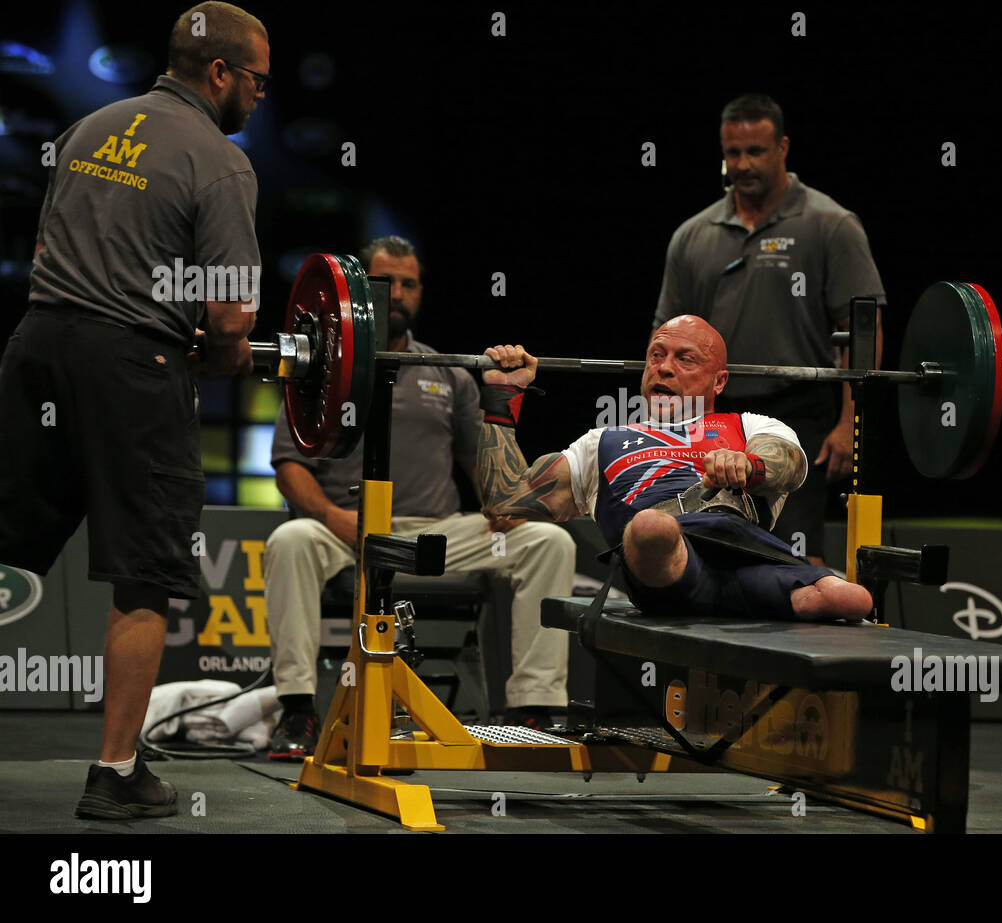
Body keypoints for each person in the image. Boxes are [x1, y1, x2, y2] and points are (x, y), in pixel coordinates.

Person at [0, 1, 267, 818]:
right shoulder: (220, 161)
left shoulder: (87, 129)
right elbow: (230, 314)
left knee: (4, 552)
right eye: (256, 79)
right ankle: (116, 772)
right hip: (132, 366)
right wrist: (230, 359)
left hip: (35, 346)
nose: (259, 95)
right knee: (144, 572)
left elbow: (47, 251)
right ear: (219, 72)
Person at [263, 236, 575, 755]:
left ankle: (535, 709)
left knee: (547, 541)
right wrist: (330, 515)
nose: (400, 294)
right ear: (362, 289)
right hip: (347, 532)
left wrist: (501, 505)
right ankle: (297, 712)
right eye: (387, 283)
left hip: (434, 534)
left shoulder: (448, 369)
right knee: (290, 539)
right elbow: (289, 466)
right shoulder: (325, 368)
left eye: (410, 283)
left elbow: (479, 458)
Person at [474, 316, 873, 623]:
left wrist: (747, 464)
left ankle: (752, 596)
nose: (664, 368)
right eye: (656, 355)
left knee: (853, 600)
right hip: (665, 569)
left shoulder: (750, 425)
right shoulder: (599, 443)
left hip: (743, 558)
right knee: (652, 528)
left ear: (719, 381)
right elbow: (505, 499)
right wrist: (501, 399)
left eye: (685, 359)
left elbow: (786, 464)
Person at [653, 93, 886, 566]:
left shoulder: (830, 224)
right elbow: (666, 335)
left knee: (797, 557)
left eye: (755, 151)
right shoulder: (692, 235)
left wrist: (850, 423)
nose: (742, 164)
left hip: (798, 413)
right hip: (712, 414)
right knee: (702, 546)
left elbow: (864, 327)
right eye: (732, 152)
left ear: (783, 147)